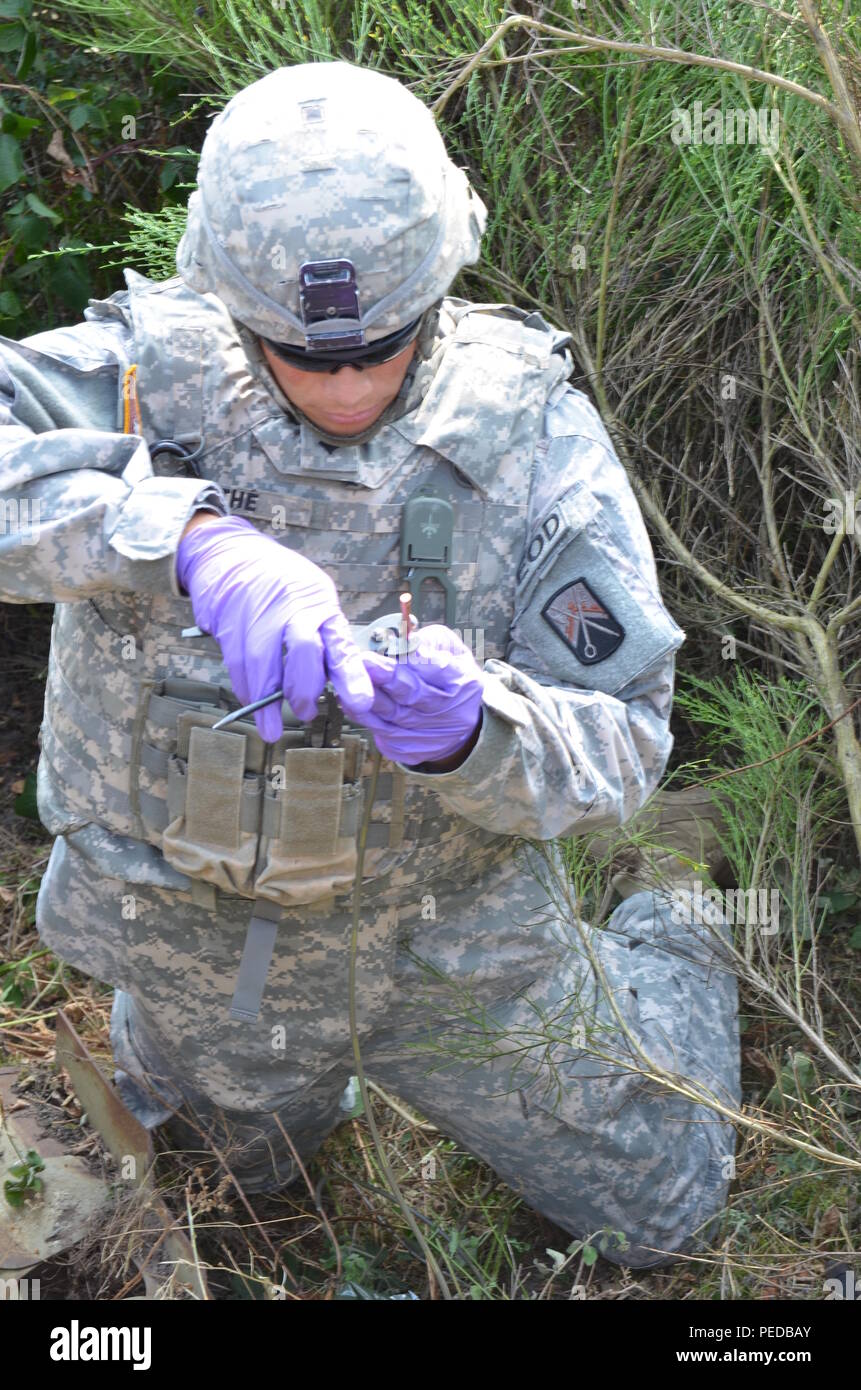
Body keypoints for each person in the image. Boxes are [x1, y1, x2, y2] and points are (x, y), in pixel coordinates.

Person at [0, 61, 739, 1269]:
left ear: (440, 288)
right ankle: (204, 1065)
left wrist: (474, 732)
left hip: (453, 952)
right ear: (232, 308)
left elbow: (626, 742)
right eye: (299, 353)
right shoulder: (150, 377)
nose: (345, 386)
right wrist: (184, 540)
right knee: (226, 1188)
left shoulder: (530, 434)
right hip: (210, 952)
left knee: (666, 1212)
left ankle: (673, 914)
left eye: (381, 347)